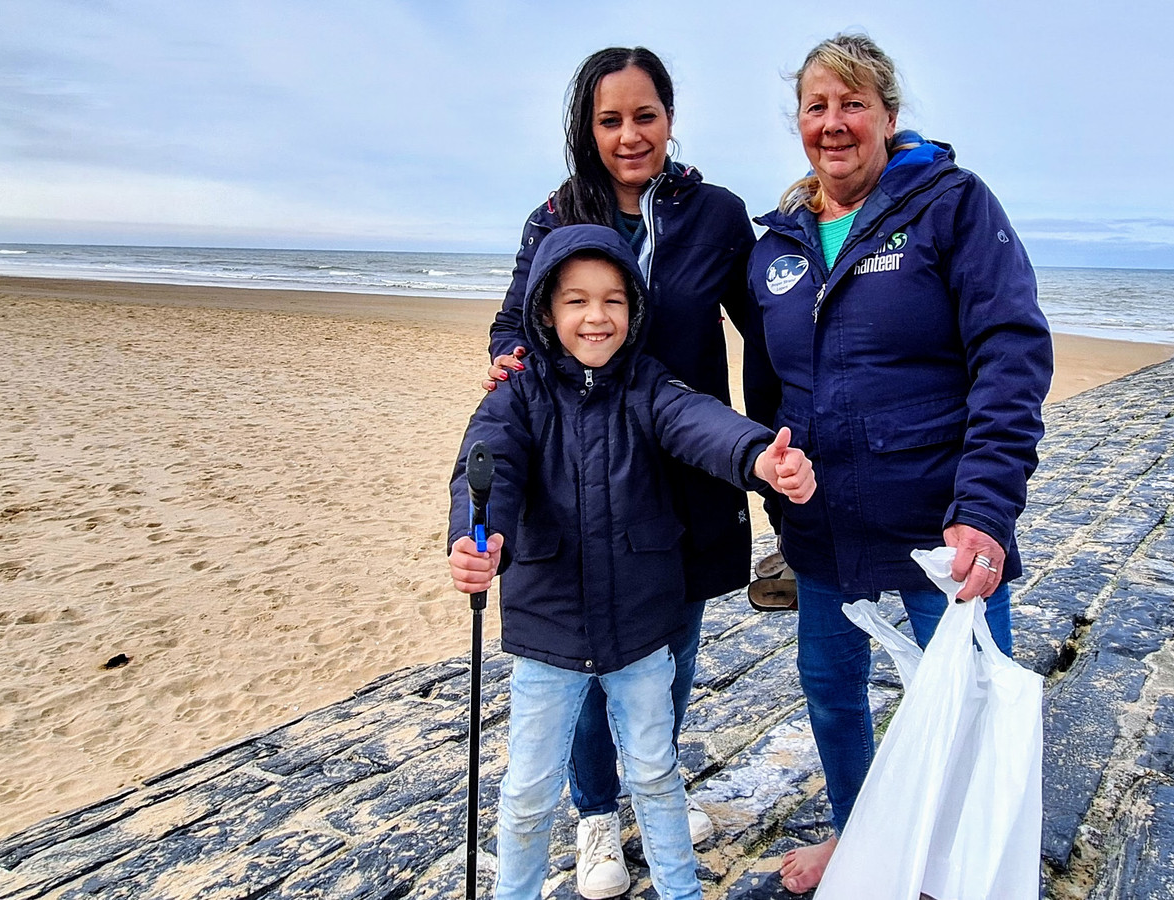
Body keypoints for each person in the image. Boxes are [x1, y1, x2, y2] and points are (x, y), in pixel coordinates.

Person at [744, 33, 1053, 893]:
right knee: (832, 694)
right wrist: (779, 503)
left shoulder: (950, 206)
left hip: (937, 525)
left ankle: (955, 866)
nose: (833, 124)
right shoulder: (774, 246)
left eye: (852, 105)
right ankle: (858, 837)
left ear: (887, 114)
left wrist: (984, 509)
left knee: (965, 709)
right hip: (822, 537)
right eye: (816, 106)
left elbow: (1012, 353)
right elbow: (767, 393)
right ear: (797, 121)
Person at [482, 45, 776, 897]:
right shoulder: (555, 215)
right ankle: (597, 815)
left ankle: (655, 789)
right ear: (587, 126)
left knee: (667, 652)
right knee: (578, 656)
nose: (628, 135)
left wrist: (769, 430)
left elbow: (765, 326)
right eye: (609, 120)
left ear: (670, 119)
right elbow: (513, 323)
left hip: (683, 465)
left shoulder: (717, 213)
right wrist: (509, 363)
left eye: (644, 116)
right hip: (574, 477)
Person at [450, 225, 815, 900]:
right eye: (576, 301)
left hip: (643, 627)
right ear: (545, 311)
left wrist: (761, 458)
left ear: (634, 311)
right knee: (528, 790)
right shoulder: (517, 392)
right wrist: (476, 537)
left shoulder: (648, 383)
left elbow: (701, 423)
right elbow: (488, 465)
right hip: (547, 634)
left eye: (614, 301)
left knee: (655, 775)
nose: (596, 317)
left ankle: (679, 890)